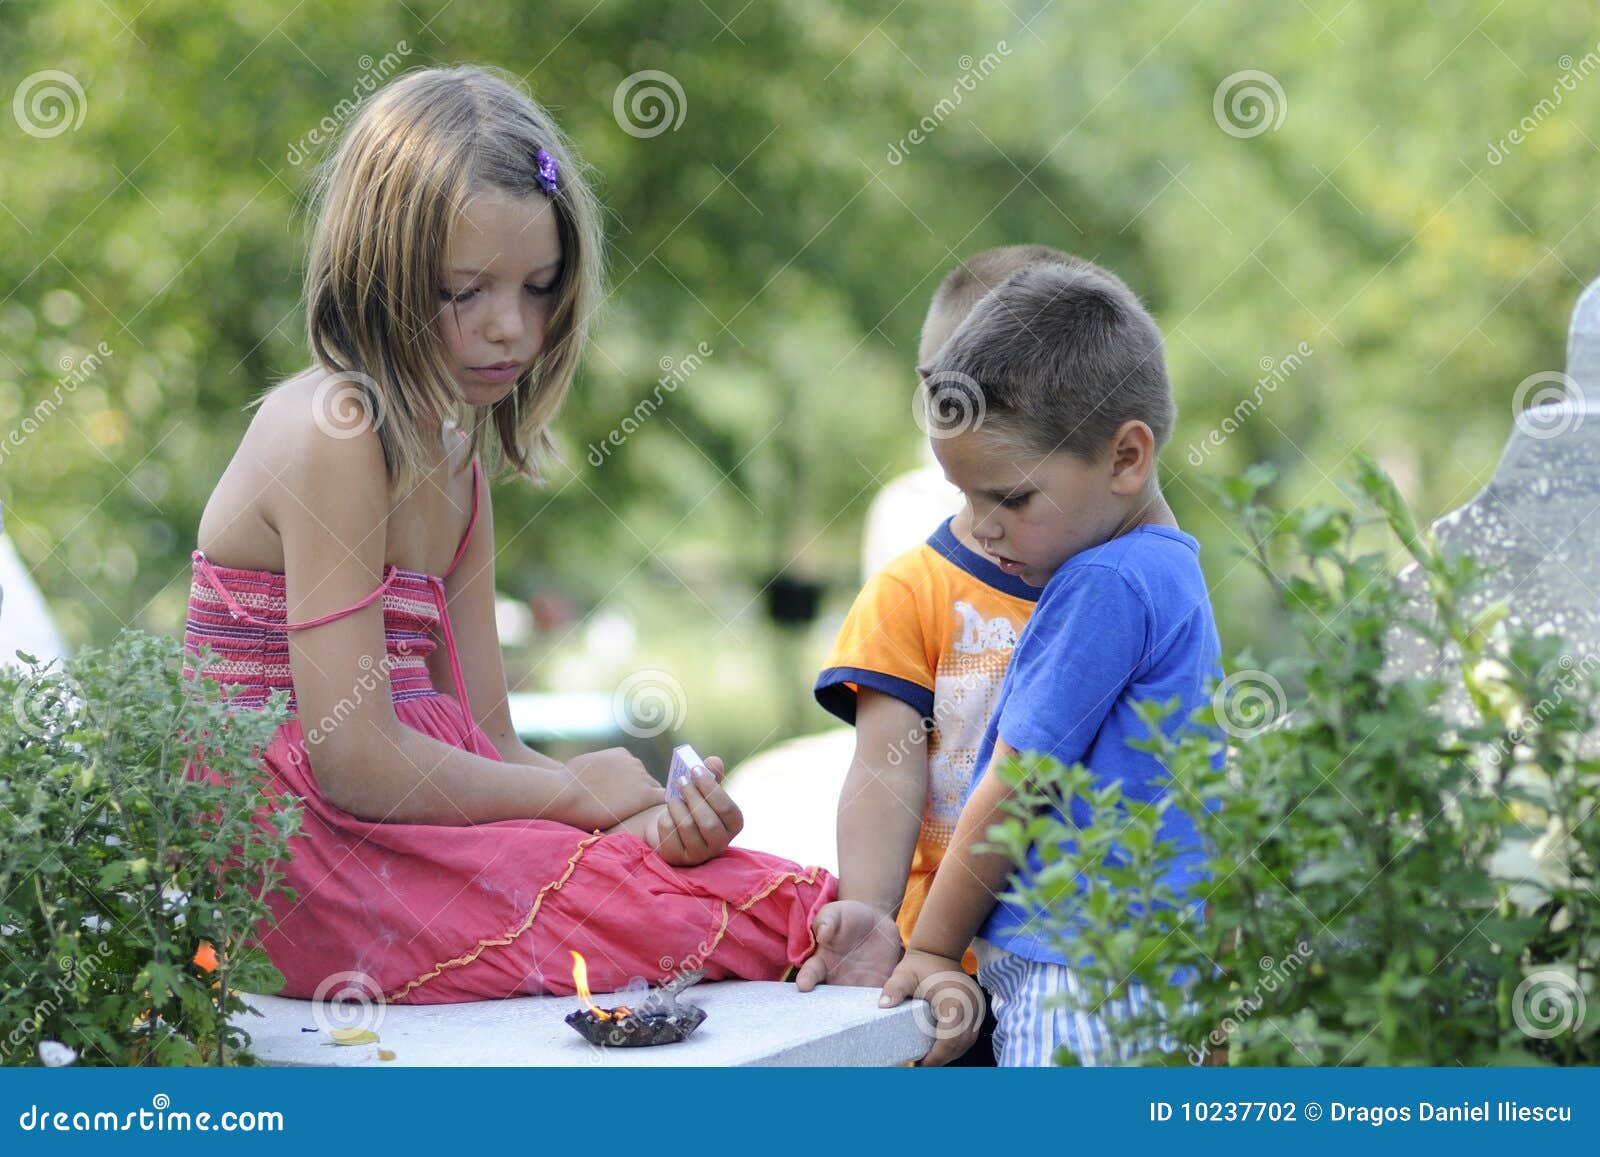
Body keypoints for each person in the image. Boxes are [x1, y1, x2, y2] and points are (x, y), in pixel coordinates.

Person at [182, 64, 895, 1003]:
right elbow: (351, 758)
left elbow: (485, 749)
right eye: (463, 290)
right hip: (295, 858)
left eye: (540, 286)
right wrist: (571, 801)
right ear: (379, 272)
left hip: (410, 834)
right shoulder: (333, 429)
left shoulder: (457, 465)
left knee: (723, 883)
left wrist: (636, 817)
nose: (509, 328)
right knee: (738, 919)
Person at [878, 261, 1222, 1065]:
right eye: (965, 496)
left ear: (1126, 457)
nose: (980, 528)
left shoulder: (1100, 582)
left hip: (1076, 980)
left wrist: (931, 948)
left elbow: (1017, 784)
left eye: (1011, 498)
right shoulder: (1171, 571)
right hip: (1144, 973)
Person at [798, 247, 1079, 1062]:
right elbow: (888, 768)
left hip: (1084, 964)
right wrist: (871, 914)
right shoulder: (913, 592)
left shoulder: (1109, 588)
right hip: (944, 969)